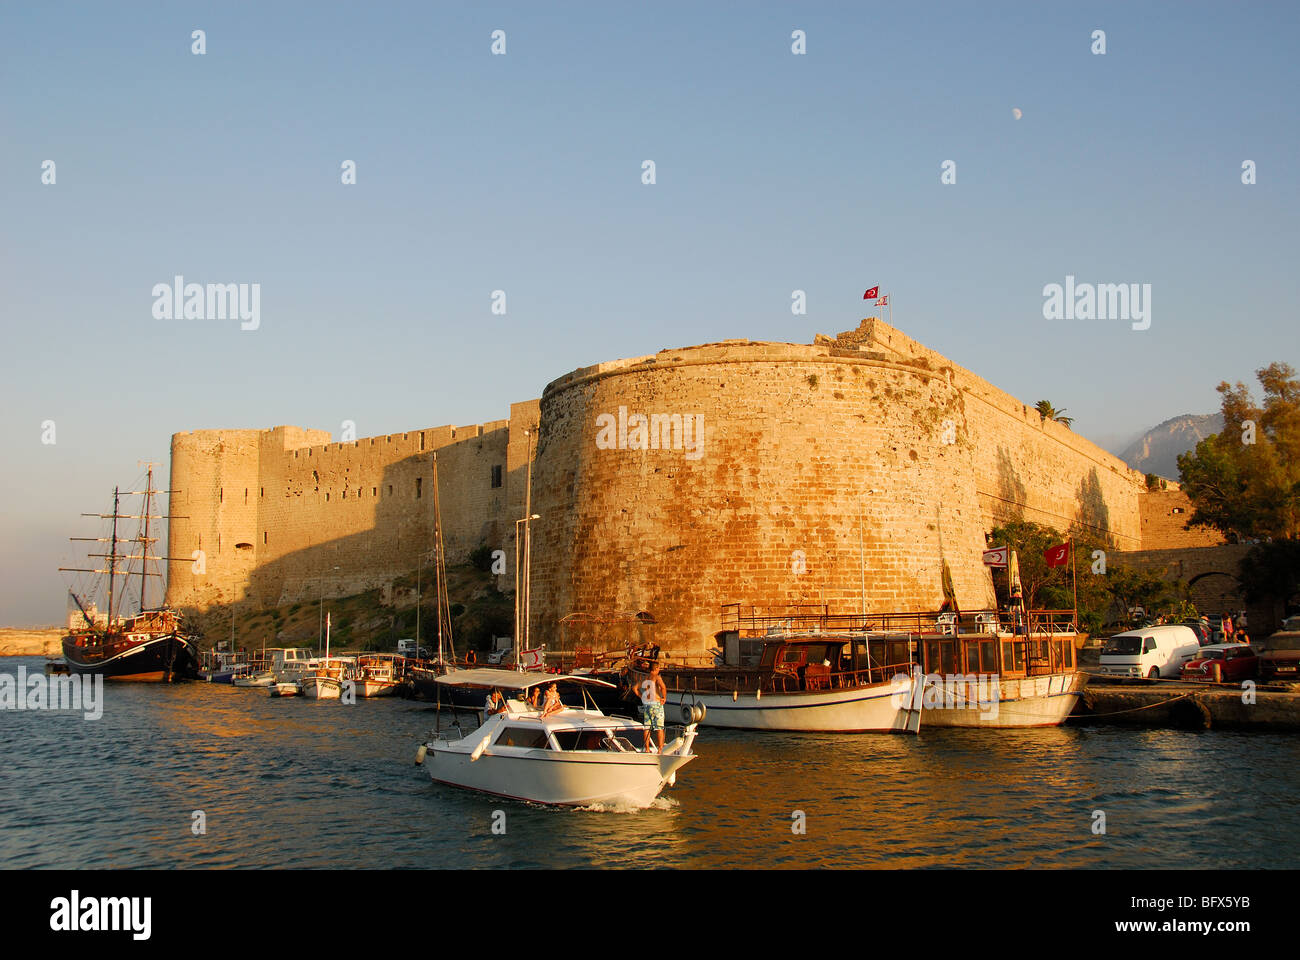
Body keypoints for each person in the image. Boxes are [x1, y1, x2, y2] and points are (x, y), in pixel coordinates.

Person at [636, 663, 668, 754]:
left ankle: (647, 749)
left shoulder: (645, 678)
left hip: (647, 704)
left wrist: (642, 697)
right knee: (659, 727)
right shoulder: (657, 677)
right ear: (656, 668)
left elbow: (635, 688)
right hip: (656, 704)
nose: (659, 670)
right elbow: (663, 687)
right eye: (659, 668)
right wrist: (664, 698)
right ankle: (660, 749)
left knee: (647, 727)